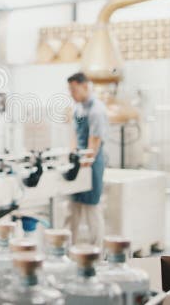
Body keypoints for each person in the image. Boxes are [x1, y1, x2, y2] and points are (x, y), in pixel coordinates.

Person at [65, 72, 109, 246]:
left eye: (74, 90)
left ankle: (96, 252)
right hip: (79, 161)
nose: (71, 94)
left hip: (92, 163)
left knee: (92, 208)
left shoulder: (97, 110)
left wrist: (85, 164)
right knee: (72, 208)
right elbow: (75, 135)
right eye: (69, 90)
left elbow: (94, 142)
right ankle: (67, 248)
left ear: (85, 86)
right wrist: (72, 157)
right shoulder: (78, 108)